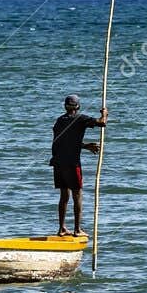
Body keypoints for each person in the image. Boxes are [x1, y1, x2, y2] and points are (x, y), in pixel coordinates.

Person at [50, 94, 107, 236]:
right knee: (77, 194)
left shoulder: (59, 121)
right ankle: (77, 229)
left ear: (65, 106)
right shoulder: (80, 118)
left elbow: (63, 142)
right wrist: (105, 114)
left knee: (64, 195)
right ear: (78, 107)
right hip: (71, 163)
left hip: (58, 163)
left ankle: (62, 228)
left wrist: (85, 146)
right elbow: (102, 123)